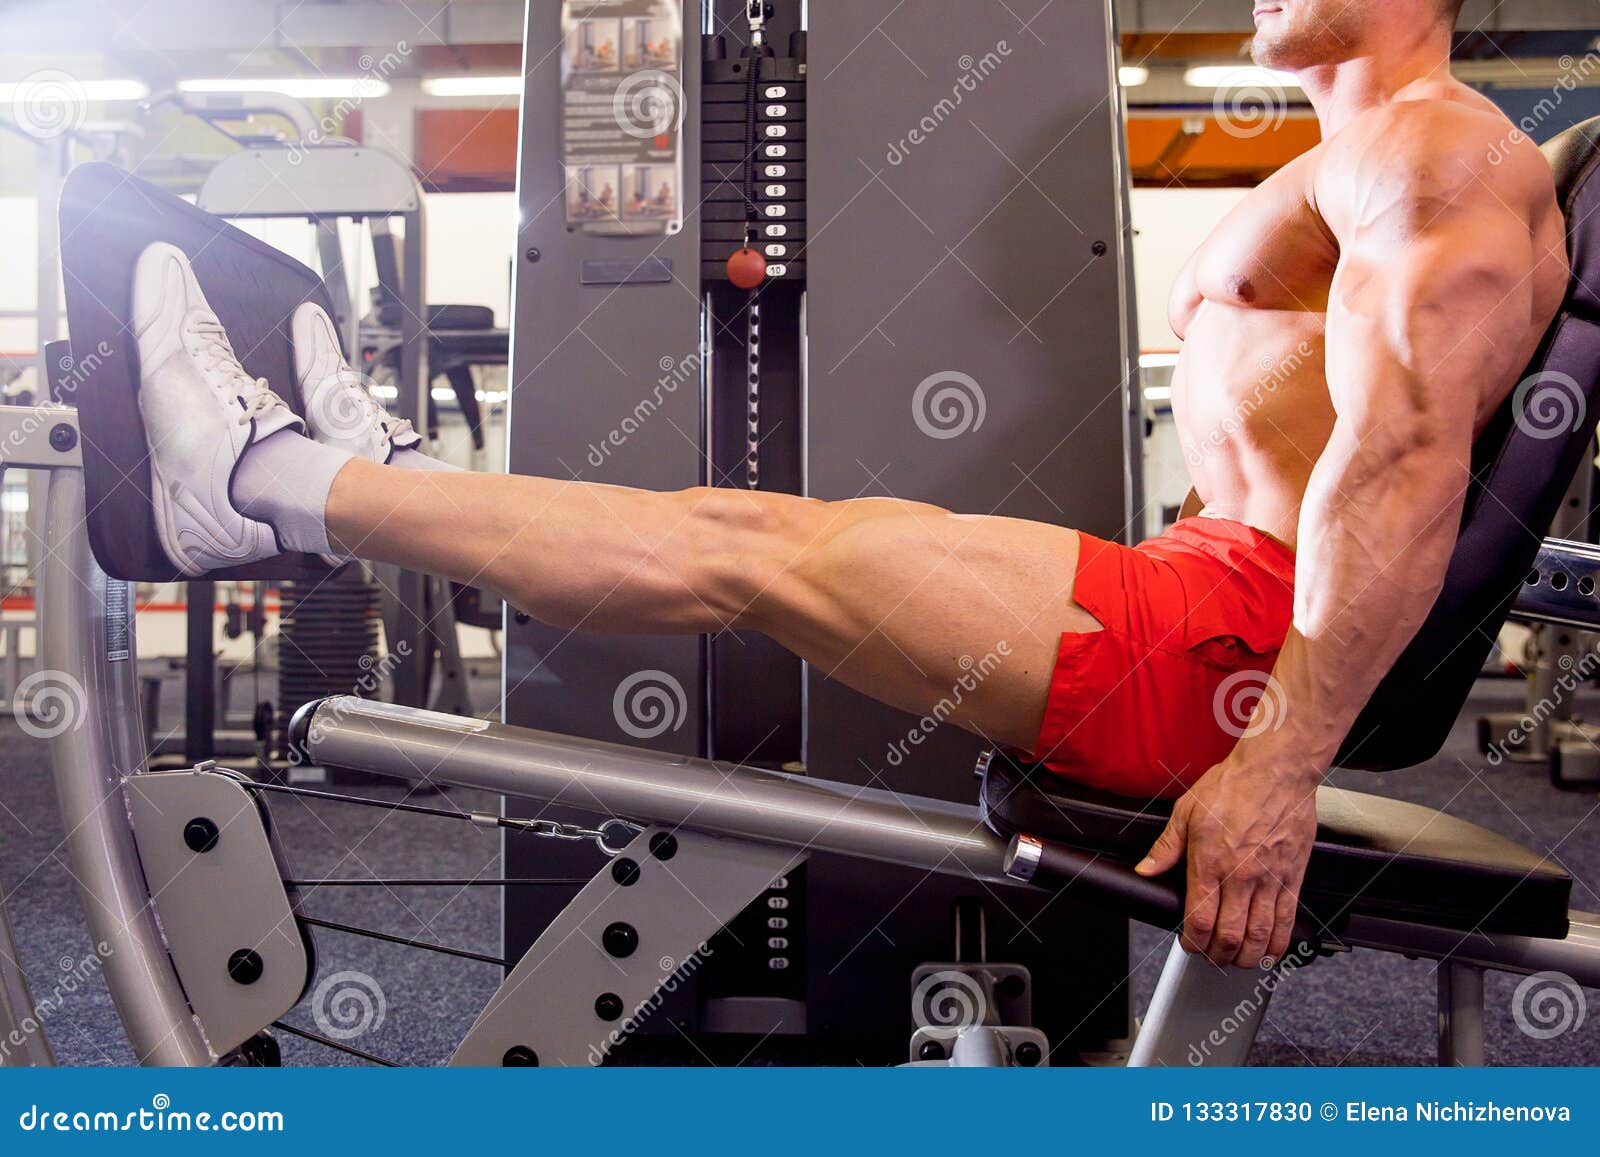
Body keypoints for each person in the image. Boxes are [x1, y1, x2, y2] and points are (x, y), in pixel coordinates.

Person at [126, 0, 1567, 970]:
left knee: (749, 556)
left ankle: (266, 479)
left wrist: (1281, 761)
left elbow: (1400, 464)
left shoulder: (1437, 151)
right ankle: (347, 478)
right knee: (755, 539)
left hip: (1226, 656)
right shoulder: (1367, 154)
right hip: (1203, 600)